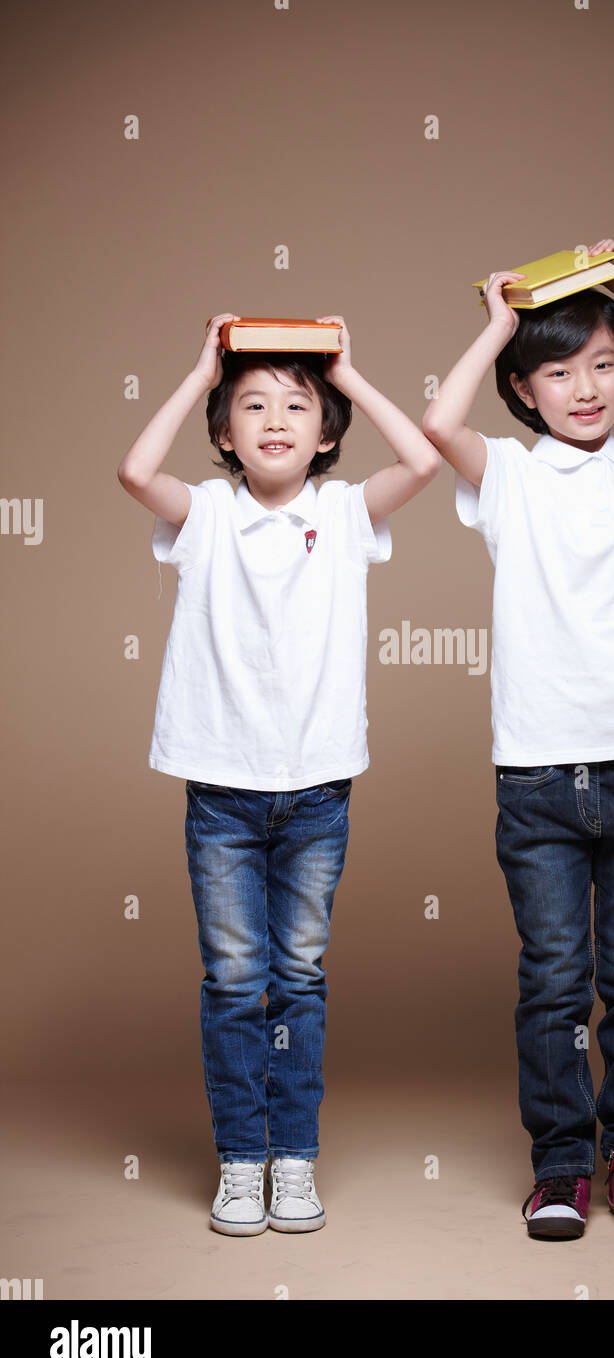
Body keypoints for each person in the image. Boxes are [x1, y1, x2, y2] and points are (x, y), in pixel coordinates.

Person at [423, 239, 614, 1239]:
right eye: (556, 371)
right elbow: (437, 421)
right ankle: (559, 1164)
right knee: (554, 979)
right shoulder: (509, 476)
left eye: (602, 362)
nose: (585, 386)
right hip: (539, 780)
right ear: (522, 389)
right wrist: (494, 325)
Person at [118, 312, 439, 1235]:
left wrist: (349, 369)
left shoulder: (343, 513)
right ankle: (241, 1160)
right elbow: (137, 473)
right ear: (223, 431)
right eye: (251, 404)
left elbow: (419, 461)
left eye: (298, 405)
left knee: (297, 977)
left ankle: (294, 1158)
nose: (274, 419)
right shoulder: (206, 513)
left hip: (318, 789)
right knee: (232, 979)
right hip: (220, 788)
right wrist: (199, 368)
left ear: (328, 432)